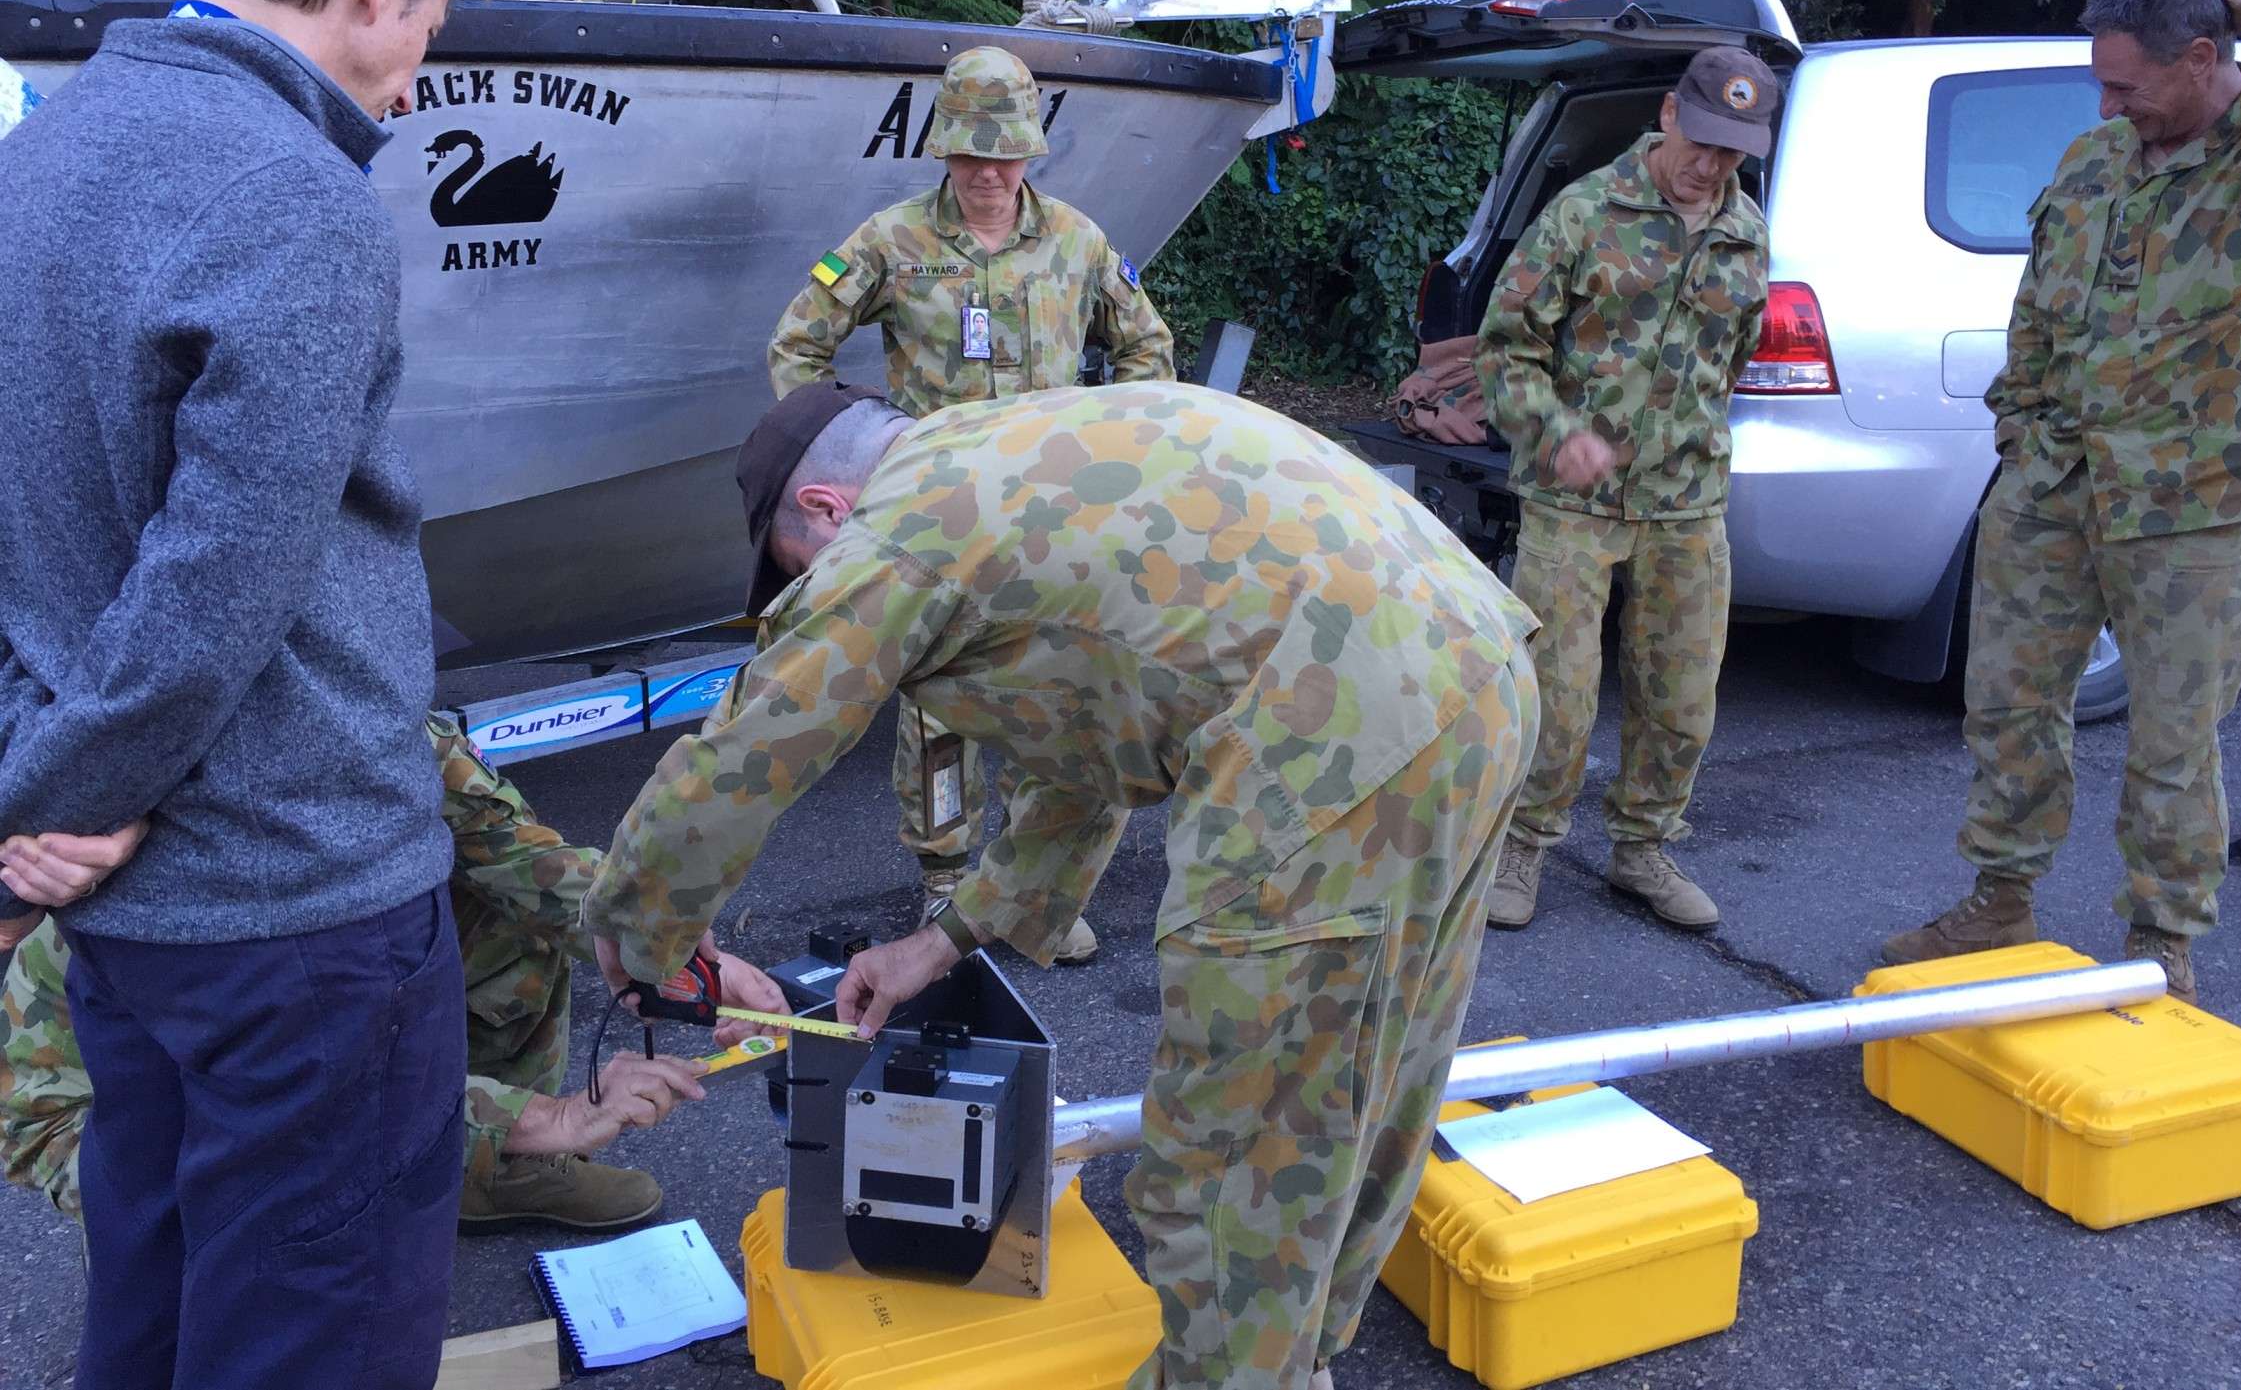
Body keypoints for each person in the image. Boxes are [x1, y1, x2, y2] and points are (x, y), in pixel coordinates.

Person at [582, 380, 1540, 1390]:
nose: (808, 591)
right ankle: (1288, 1363)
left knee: (1234, 1146)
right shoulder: (1011, 453)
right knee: (1361, 1083)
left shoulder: (894, 537)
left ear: (823, 507)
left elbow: (748, 751)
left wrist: (645, 938)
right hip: (1475, 674)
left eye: (793, 574)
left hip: (1328, 742)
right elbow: (1086, 745)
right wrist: (943, 939)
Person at [0, 0, 504, 1390]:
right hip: (302, 921)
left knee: (151, 1324)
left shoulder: (42, 149)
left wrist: (32, 801)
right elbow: (221, 577)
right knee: (309, 1338)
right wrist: (51, 806)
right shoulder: (295, 198)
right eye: (426, 19)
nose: (418, 75)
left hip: (134, 932)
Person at [1884, 0, 2241, 1003]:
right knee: (2006, 703)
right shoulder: (2096, 157)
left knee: (2170, 738)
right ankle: (1998, 900)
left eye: (2127, 86)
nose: (2107, 105)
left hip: (2190, 505)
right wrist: (2019, 426)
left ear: (2204, 59)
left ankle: (2161, 946)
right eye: (2099, 85)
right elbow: (2038, 305)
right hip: (2054, 484)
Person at [0, 714, 779, 1232]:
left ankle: (483, 1171)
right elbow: (42, 1126)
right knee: (238, 1265)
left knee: (506, 914)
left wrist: (660, 946)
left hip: (331, 1040)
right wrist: (535, 1117)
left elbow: (515, 854)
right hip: (192, 1138)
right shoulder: (108, 873)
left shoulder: (377, 724)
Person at [766, 45, 1176, 964]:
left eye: (1006, 155)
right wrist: (860, 457)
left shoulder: (1078, 243)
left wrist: (1114, 449)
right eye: (971, 154)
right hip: (939, 522)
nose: (989, 174)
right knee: (941, 710)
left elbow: (1149, 348)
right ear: (944, 148)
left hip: (1055, 521)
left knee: (1057, 700)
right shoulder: (889, 244)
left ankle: (1032, 893)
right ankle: (948, 886)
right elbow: (797, 348)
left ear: (1031, 150)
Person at [1473, 46, 1783, 933]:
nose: (1711, 165)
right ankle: (1524, 844)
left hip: (1686, 499)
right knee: (1559, 691)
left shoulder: (1745, 230)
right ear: (1670, 113)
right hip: (1573, 502)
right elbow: (1505, 347)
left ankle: (1644, 846)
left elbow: (1736, 356)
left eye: (1734, 151)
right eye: (1704, 141)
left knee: (1683, 689)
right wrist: (1556, 431)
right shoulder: (1583, 214)